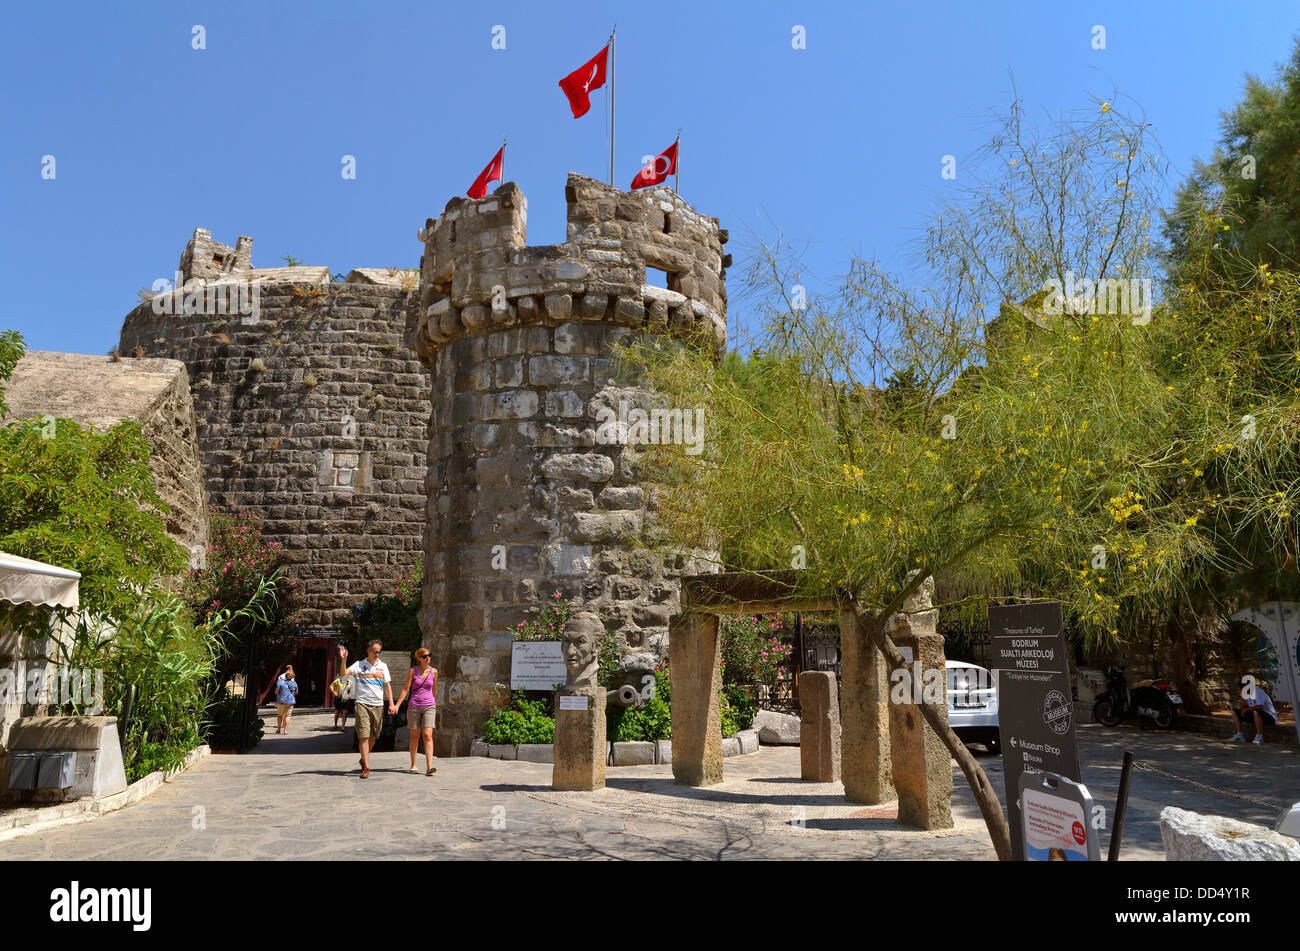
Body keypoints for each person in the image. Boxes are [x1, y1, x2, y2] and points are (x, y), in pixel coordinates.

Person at [337, 640, 396, 778]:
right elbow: (343, 674)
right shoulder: (359, 664)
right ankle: (367, 767)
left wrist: (392, 703)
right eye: (375, 651)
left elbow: (387, 686)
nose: (377, 654)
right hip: (362, 703)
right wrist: (344, 660)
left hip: (378, 705)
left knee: (374, 735)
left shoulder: (383, 666)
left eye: (379, 652)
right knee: (363, 734)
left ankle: (363, 758)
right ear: (368, 651)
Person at [395, 648, 438, 774]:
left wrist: (434, 702)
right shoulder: (412, 671)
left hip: (429, 706)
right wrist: (397, 705)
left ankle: (429, 767)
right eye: (424, 656)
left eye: (429, 655)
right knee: (415, 736)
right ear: (419, 658)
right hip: (414, 706)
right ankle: (413, 764)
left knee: (427, 735)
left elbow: (434, 689)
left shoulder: (434, 672)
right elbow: (405, 689)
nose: (428, 658)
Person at [1230, 676, 1277, 744]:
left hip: (1270, 717)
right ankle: (1239, 735)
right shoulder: (1247, 693)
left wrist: (1247, 709)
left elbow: (1260, 706)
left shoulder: (1257, 692)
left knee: (1256, 711)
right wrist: (1243, 698)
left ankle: (1259, 737)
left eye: (1242, 688)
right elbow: (1242, 707)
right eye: (1240, 688)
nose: (1241, 689)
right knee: (1234, 712)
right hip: (1256, 716)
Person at [275, 665, 298, 734]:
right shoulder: (294, 683)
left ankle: (279, 729)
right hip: (290, 701)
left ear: (285, 676)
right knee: (288, 715)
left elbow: (276, 692)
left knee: (280, 715)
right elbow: (296, 692)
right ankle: (285, 730)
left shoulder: (280, 682)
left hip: (281, 701)